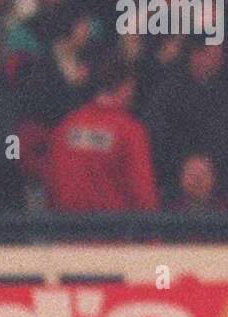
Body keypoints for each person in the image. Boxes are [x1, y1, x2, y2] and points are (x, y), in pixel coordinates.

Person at [46, 54, 159, 212]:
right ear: (127, 87)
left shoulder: (67, 125)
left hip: (65, 224)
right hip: (112, 225)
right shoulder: (129, 131)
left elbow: (51, 178)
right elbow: (143, 193)